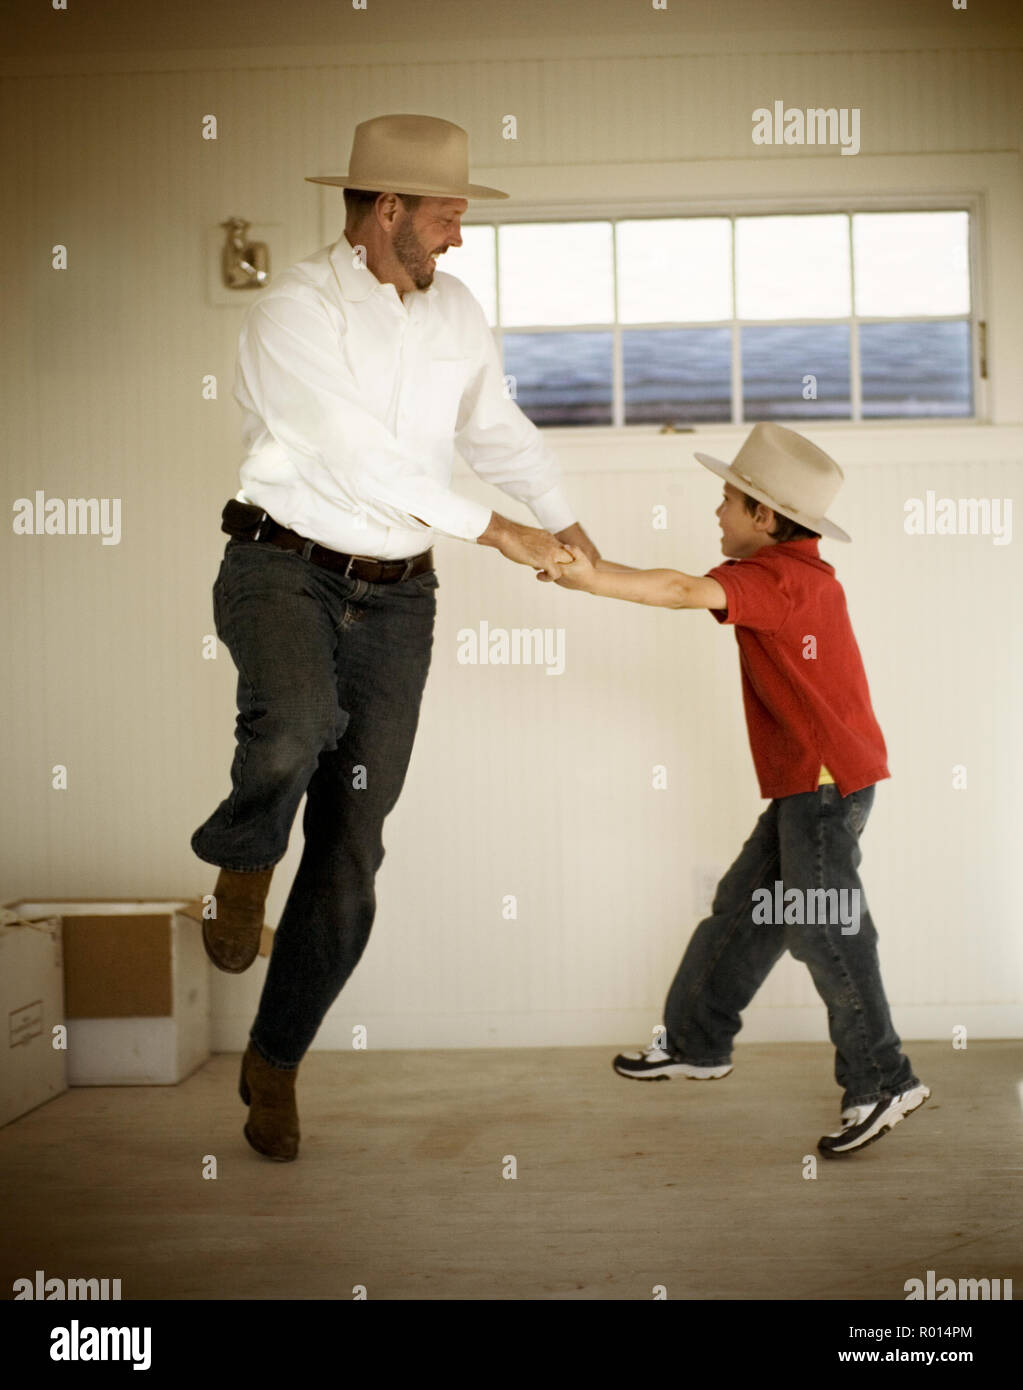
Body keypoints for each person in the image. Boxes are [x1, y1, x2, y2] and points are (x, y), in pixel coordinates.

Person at [191, 114, 599, 1161]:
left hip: (399, 599)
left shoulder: (456, 311)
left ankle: (275, 1059)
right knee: (293, 726)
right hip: (282, 567)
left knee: (355, 847)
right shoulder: (295, 311)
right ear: (388, 213)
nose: (459, 237)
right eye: (448, 216)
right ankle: (241, 862)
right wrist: (497, 528)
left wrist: (556, 513)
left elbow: (492, 426)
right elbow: (355, 458)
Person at [550, 421, 929, 1156]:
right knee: (748, 909)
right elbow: (677, 582)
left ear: (763, 516)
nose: (714, 513)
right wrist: (588, 566)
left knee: (824, 925)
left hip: (822, 786)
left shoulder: (779, 579)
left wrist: (589, 579)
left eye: (725, 501)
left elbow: (676, 589)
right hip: (809, 785)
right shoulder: (792, 573)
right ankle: (695, 1043)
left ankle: (884, 1080)